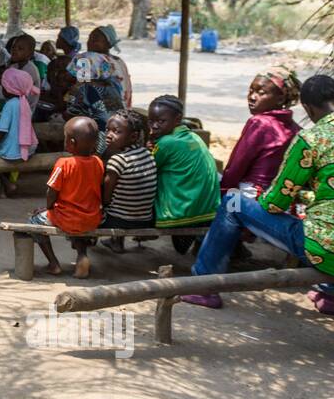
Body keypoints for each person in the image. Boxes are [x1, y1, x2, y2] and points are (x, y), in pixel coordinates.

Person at [184, 75, 334, 312]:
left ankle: (203, 287)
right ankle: (326, 294)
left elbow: (275, 203)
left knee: (232, 203)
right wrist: (310, 199)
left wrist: (286, 197)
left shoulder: (312, 138)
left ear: (308, 109)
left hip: (328, 254)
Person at [28, 116, 104, 278]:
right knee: (78, 223)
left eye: (66, 138)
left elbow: (51, 192)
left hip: (66, 218)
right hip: (91, 218)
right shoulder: (98, 162)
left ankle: (53, 263)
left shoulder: (64, 164)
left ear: (72, 142)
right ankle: (82, 256)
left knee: (33, 221)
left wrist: (48, 208)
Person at [148, 95, 220, 250]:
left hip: (180, 213)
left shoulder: (166, 143)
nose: (154, 126)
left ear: (177, 119)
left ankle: (121, 239)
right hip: (207, 210)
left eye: (161, 121)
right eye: (151, 121)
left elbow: (148, 169)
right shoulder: (194, 137)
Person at [222, 69, 301, 194]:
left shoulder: (260, 123)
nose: (252, 97)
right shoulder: (296, 129)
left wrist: (223, 194)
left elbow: (236, 167)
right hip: (278, 198)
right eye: (251, 91)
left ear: (280, 99)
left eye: (261, 92)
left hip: (251, 194)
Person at [100, 109, 157, 250]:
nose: (109, 135)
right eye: (107, 130)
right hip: (145, 220)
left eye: (116, 132)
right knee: (123, 196)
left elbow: (106, 198)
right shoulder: (147, 154)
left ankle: (88, 242)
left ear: (133, 137)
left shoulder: (118, 160)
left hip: (119, 221)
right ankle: (116, 242)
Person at [0, 68, 39, 197]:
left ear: (9, 89)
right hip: (27, 150)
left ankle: (7, 183)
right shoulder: (25, 103)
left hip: (12, 153)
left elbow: (2, 131)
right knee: (5, 157)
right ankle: (3, 191)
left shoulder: (9, 105)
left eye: (4, 86)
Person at [88, 25, 132, 108]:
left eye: (95, 39)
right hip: (123, 108)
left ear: (108, 44)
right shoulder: (118, 60)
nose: (90, 42)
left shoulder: (98, 60)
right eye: (89, 38)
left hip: (107, 110)